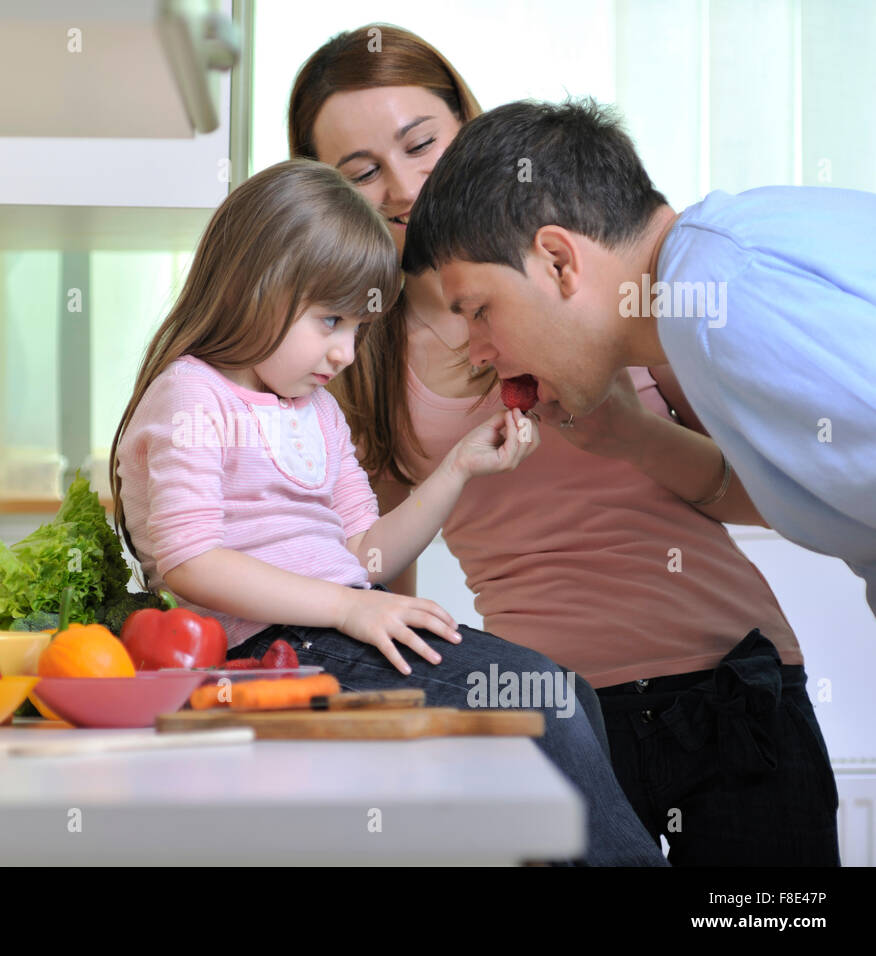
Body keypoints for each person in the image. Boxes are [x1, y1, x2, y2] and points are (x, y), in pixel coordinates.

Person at [291, 24, 840, 865]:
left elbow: (757, 492)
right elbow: (376, 570)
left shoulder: (623, 279)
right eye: (362, 172)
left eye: (421, 144)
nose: (403, 186)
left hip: (731, 687)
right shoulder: (350, 351)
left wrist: (631, 435)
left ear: (468, 131)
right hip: (551, 714)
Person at [109, 157, 668, 866]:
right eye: (330, 321)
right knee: (547, 704)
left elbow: (365, 553)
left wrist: (459, 466)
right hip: (268, 653)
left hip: (336, 629)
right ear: (257, 287)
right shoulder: (193, 395)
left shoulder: (313, 411)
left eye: (358, 328)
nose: (345, 352)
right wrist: (348, 609)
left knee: (565, 696)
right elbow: (191, 562)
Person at [403, 96, 876, 621]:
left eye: (480, 310)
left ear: (558, 262)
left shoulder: (719, 302)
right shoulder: (717, 266)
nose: (478, 351)